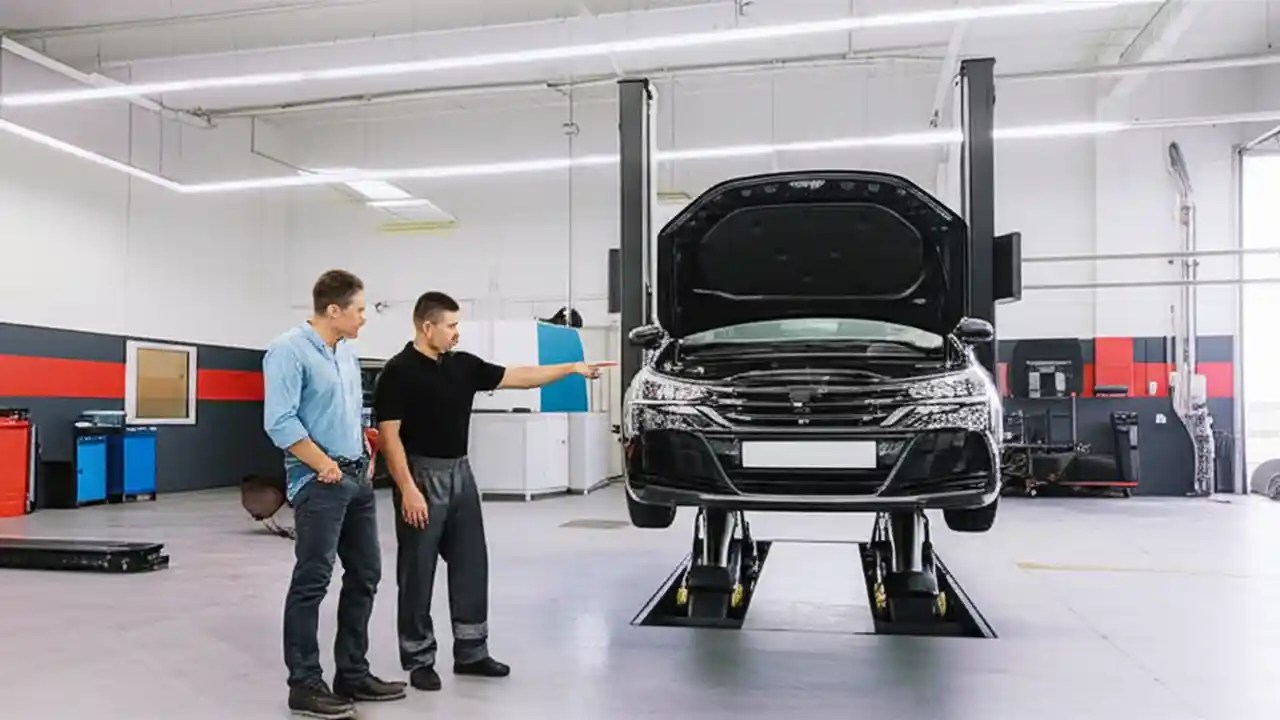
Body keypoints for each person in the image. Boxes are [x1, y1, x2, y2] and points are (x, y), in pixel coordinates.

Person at [373, 291, 611, 692]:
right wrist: (408, 489)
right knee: (417, 571)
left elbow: (519, 376)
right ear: (427, 327)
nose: (457, 333)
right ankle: (419, 658)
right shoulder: (397, 372)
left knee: (471, 563)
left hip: (461, 473)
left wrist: (572, 368)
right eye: (451, 326)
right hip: (421, 475)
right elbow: (389, 437)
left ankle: (471, 651)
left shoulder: (463, 366)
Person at [264, 269, 407, 719]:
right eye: (359, 310)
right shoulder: (288, 350)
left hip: (356, 477)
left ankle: (353, 673)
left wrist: (364, 450)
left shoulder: (346, 350)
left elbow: (346, 410)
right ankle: (304, 684)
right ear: (333, 310)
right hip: (319, 481)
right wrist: (323, 463)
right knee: (313, 579)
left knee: (365, 573)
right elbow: (280, 422)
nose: (364, 317)